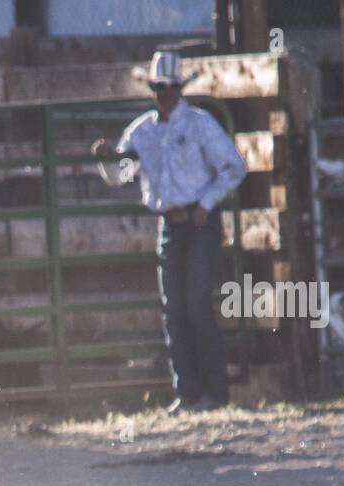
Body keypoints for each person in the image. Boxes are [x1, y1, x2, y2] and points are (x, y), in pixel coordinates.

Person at [92, 50, 247, 414]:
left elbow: (234, 167)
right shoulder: (142, 131)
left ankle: (212, 391)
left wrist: (206, 204)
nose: (164, 93)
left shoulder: (199, 124)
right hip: (172, 224)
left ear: (179, 89)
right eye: (160, 87)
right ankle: (189, 391)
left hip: (198, 221)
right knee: (175, 309)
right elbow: (120, 176)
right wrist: (106, 159)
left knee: (194, 305)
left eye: (169, 87)